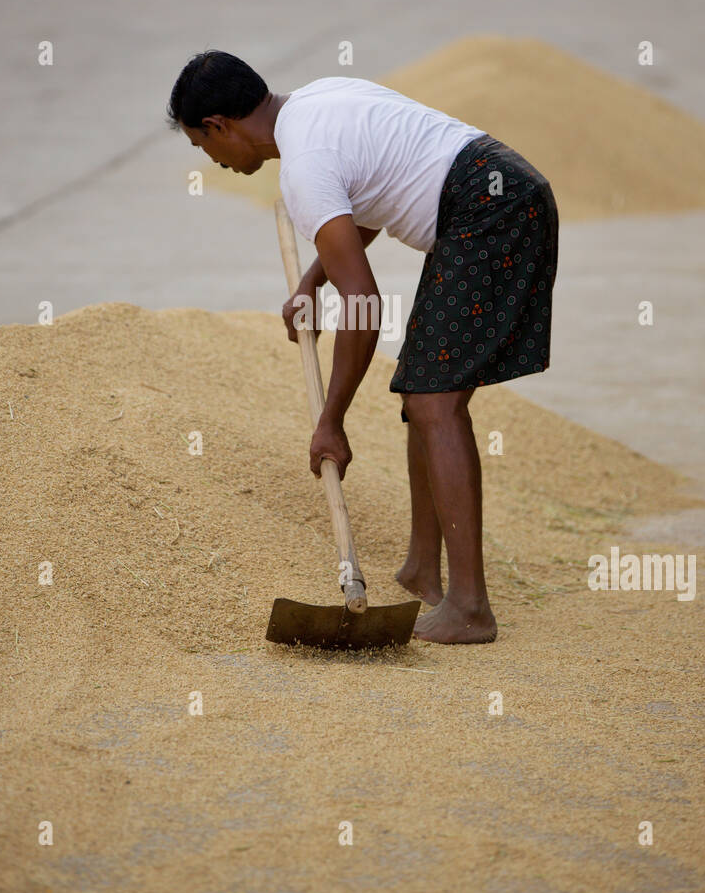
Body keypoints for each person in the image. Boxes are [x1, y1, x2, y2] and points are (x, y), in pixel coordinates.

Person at [168, 50, 558, 644]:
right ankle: (424, 569)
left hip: (489, 208)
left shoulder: (303, 167)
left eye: (204, 148)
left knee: (435, 404)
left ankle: (470, 608)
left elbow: (364, 305)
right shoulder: (319, 100)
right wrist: (310, 281)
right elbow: (366, 203)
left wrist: (331, 422)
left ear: (218, 124)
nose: (214, 162)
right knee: (423, 394)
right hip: (500, 189)